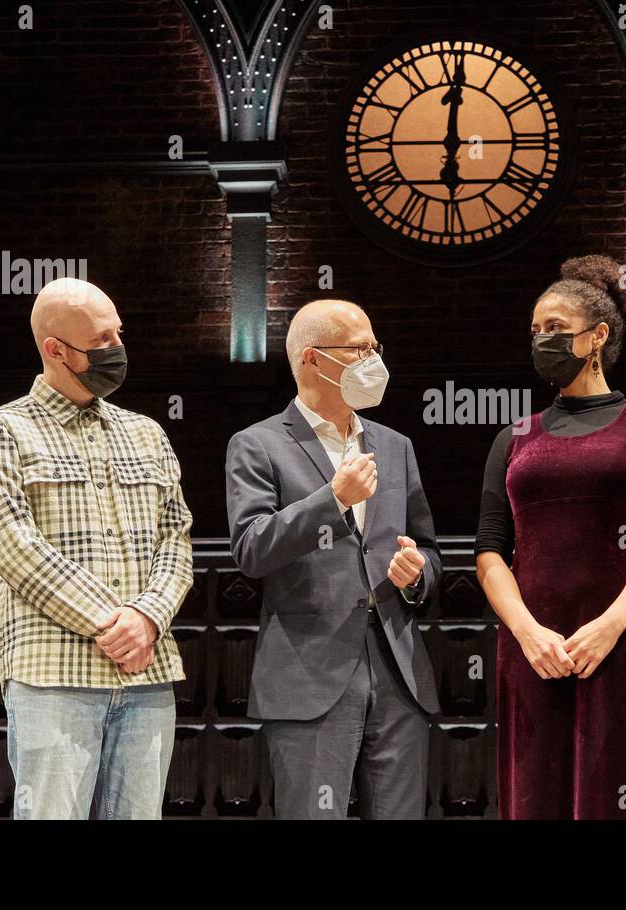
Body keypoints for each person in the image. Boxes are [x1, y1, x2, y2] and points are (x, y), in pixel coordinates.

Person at [0, 277, 193, 819]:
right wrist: (113, 621)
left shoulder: (147, 433)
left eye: (118, 332)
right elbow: (14, 546)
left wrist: (147, 618)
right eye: (101, 338)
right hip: (53, 675)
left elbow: (176, 538)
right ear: (56, 350)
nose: (116, 347)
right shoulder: (4, 429)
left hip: (147, 672)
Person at [475, 255, 626, 819]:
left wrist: (610, 626)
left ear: (596, 337)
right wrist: (525, 632)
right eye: (535, 330)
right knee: (536, 789)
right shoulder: (515, 435)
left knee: (620, 784)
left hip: (620, 640)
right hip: (532, 646)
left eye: (554, 329)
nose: (541, 340)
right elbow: (491, 549)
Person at [226, 299, 441, 819]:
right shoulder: (258, 445)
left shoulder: (395, 446)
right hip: (309, 670)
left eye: (375, 347)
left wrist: (417, 577)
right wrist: (332, 500)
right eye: (359, 349)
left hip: (396, 667)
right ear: (312, 359)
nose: (373, 360)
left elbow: (428, 549)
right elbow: (251, 549)